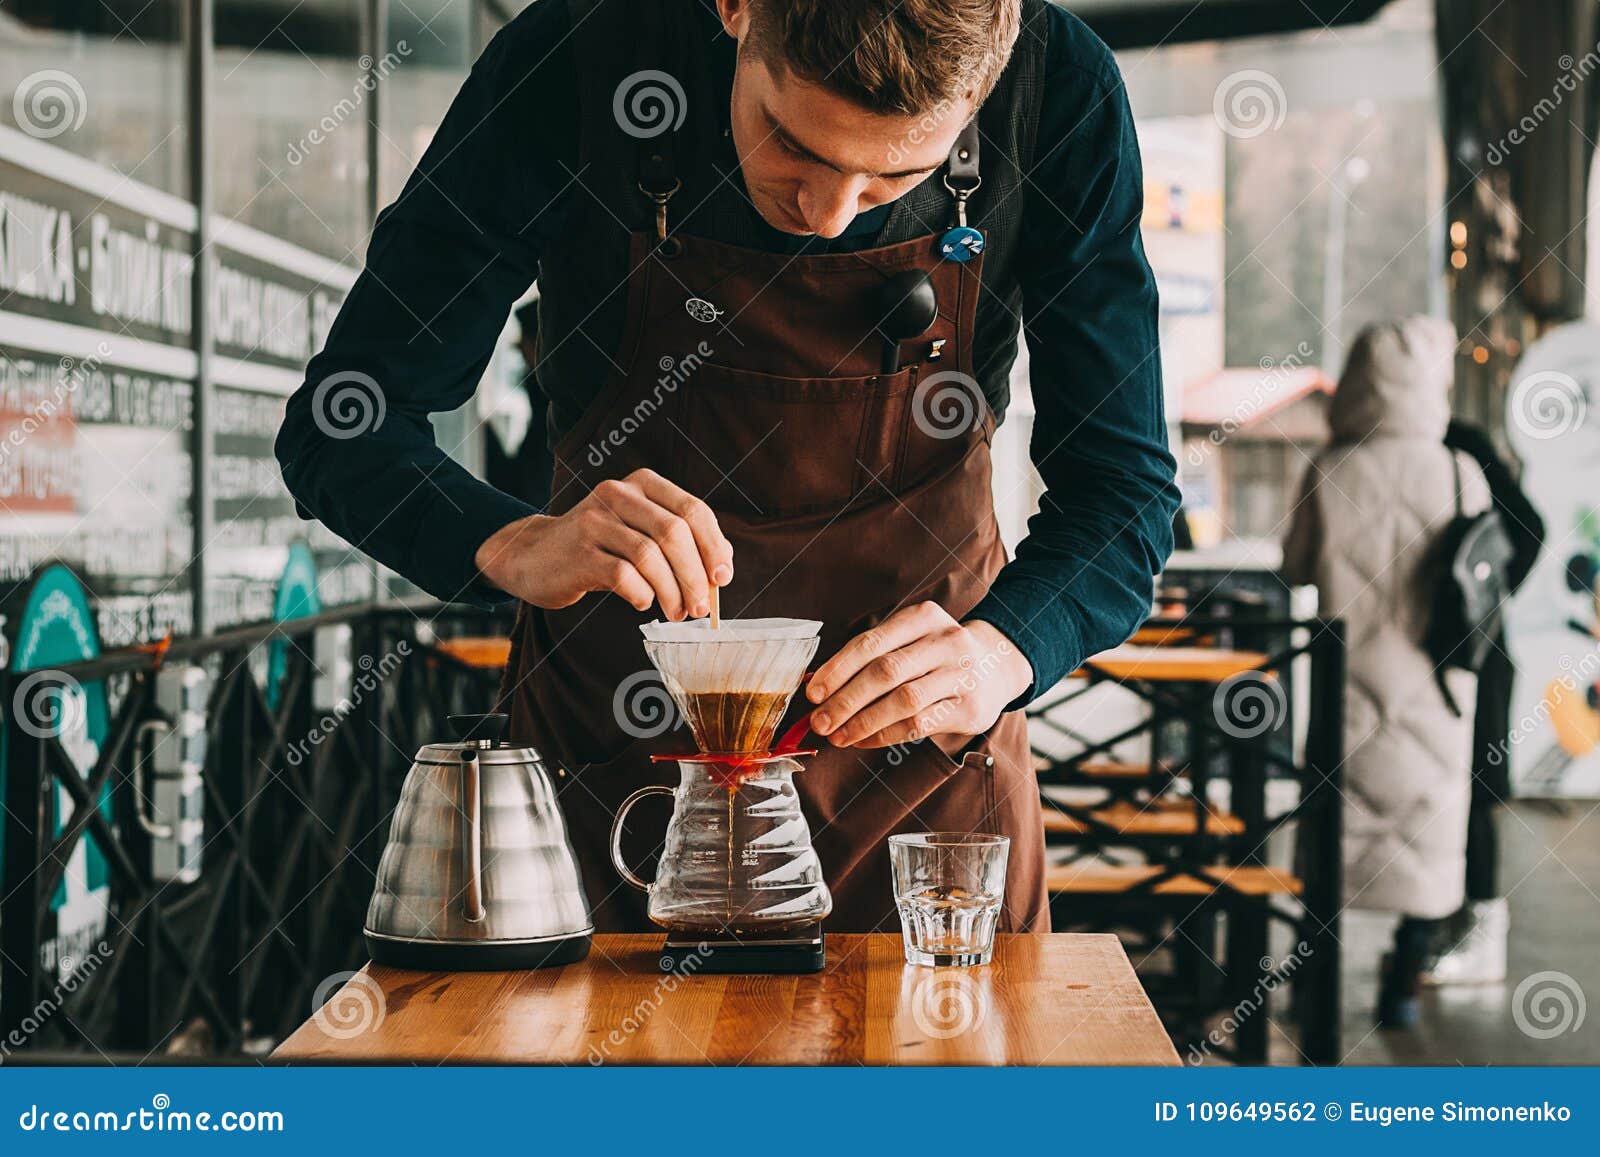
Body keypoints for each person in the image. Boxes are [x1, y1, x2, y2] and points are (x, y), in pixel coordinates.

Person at [276, 0, 1179, 933]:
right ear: (736, 9)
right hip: (617, 779)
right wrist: (506, 542)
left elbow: (1123, 498)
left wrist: (1002, 651)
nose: (827, 219)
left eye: (892, 179)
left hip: (921, 806)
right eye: (793, 145)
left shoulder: (1057, 89)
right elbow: (343, 425)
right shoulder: (579, 57)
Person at [1281, 317, 1490, 1027]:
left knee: (1333, 836)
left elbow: (1294, 567)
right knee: (1427, 840)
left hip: (1345, 687)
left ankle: (1315, 994)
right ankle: (1403, 981)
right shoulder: (1463, 470)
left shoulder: (1329, 467)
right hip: (1436, 686)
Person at [1421, 419, 1544, 984]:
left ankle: (1481, 932)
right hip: (1473, 649)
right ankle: (1456, 923)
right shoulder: (1452, 447)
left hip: (1475, 653)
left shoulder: (1455, 445)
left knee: (1475, 791)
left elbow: (1531, 529)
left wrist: (1489, 588)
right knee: (1464, 792)